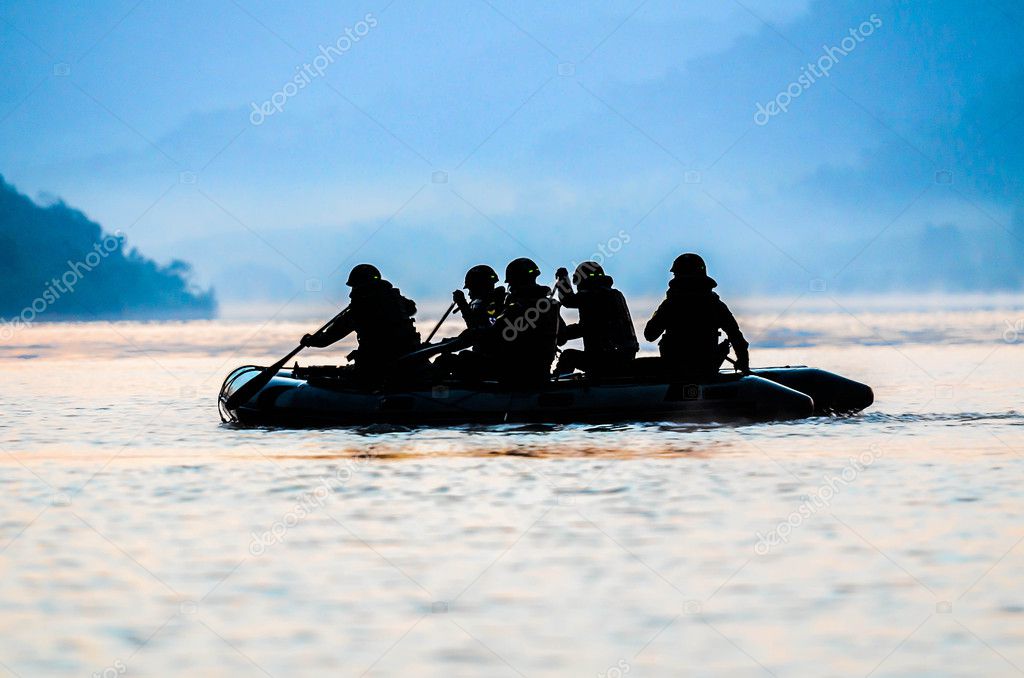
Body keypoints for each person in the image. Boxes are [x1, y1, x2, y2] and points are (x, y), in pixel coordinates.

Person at [300, 264, 421, 385]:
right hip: (409, 359)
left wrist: (310, 340)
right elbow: (412, 309)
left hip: (378, 368)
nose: (351, 293)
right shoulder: (397, 300)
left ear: (362, 286)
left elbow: (327, 339)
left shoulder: (359, 310)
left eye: (354, 287)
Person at [644, 253, 749, 379]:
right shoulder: (715, 305)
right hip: (707, 367)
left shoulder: (671, 305)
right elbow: (736, 337)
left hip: (676, 369)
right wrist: (743, 363)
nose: (674, 277)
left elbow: (649, 335)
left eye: (676, 274)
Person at [467, 257, 564, 386]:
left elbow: (493, 334)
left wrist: (469, 334)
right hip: (540, 372)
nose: (510, 288)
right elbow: (562, 338)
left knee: (460, 359)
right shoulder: (550, 305)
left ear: (518, 282)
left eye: (511, 284)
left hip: (516, 374)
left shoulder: (519, 307)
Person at [553, 261, 639, 377]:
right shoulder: (614, 295)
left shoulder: (594, 295)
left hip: (606, 358)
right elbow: (591, 326)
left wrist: (563, 279)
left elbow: (568, 300)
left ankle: (554, 387)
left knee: (568, 356)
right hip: (623, 357)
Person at [453, 265, 506, 330]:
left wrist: (462, 304)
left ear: (479, 288)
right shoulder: (495, 302)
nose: (469, 294)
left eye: (471, 289)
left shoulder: (495, 305)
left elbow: (478, 328)